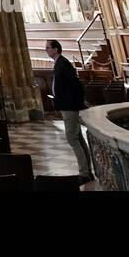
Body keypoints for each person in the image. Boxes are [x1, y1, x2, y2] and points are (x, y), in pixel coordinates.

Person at [46, 40, 92, 183]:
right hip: (67, 105)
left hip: (69, 106)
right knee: (77, 137)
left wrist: (79, 101)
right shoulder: (59, 63)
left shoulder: (63, 63)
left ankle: (84, 173)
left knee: (72, 138)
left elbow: (75, 84)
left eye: (48, 48)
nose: (46, 50)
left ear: (56, 49)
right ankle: (87, 171)